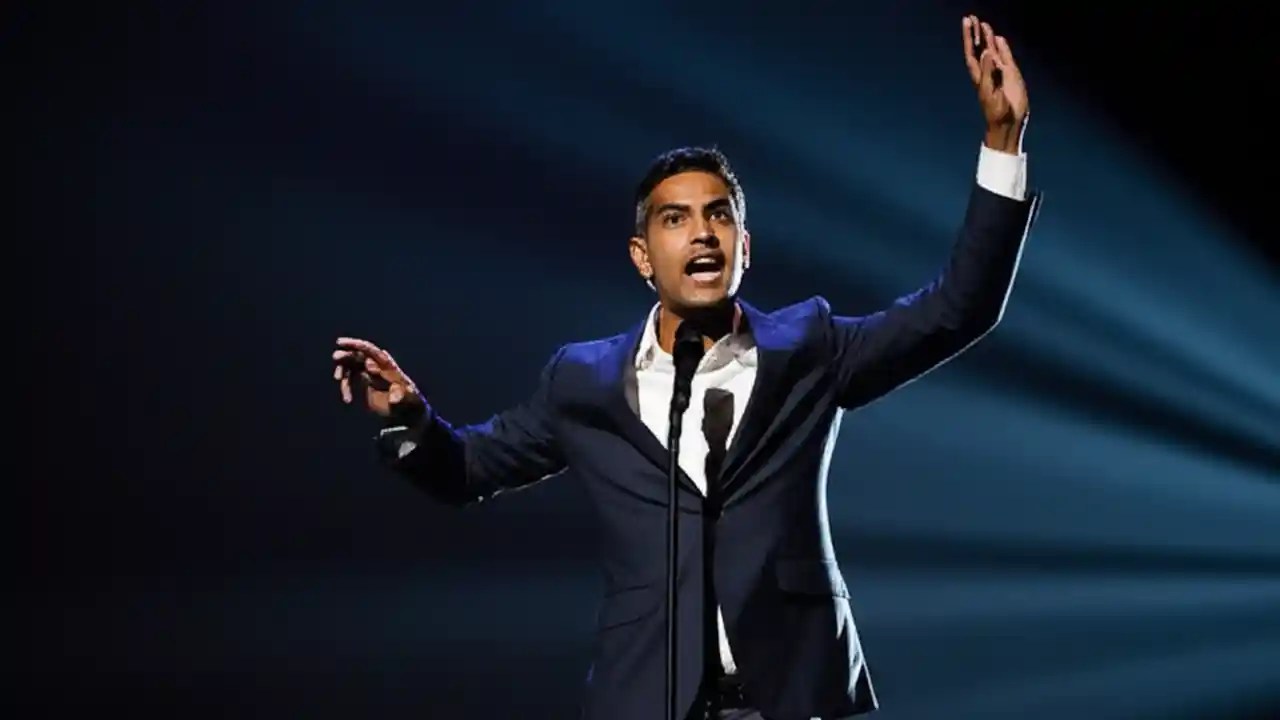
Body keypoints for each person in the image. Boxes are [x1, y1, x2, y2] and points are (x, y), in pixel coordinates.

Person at [332, 15, 1040, 720]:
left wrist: (1002, 142)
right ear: (643, 256)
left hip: (789, 699)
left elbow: (957, 310)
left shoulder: (809, 348)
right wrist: (411, 420)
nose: (702, 232)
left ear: (743, 244)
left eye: (719, 215)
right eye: (675, 219)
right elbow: (466, 470)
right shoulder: (583, 381)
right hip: (647, 701)